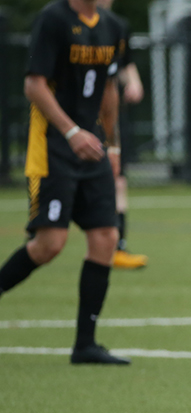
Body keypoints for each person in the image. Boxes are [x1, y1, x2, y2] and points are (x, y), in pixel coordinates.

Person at [0, 0, 129, 365]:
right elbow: (33, 85)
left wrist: (114, 144)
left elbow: (107, 89)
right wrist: (71, 132)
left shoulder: (112, 26)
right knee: (49, 244)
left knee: (106, 237)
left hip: (93, 147)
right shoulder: (52, 19)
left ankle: (85, 344)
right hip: (53, 145)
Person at [98, 0, 148, 270]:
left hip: (108, 117)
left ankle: (118, 247)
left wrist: (135, 82)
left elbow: (124, 63)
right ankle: (39, 234)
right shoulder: (61, 22)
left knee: (118, 179)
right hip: (72, 118)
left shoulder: (117, 27)